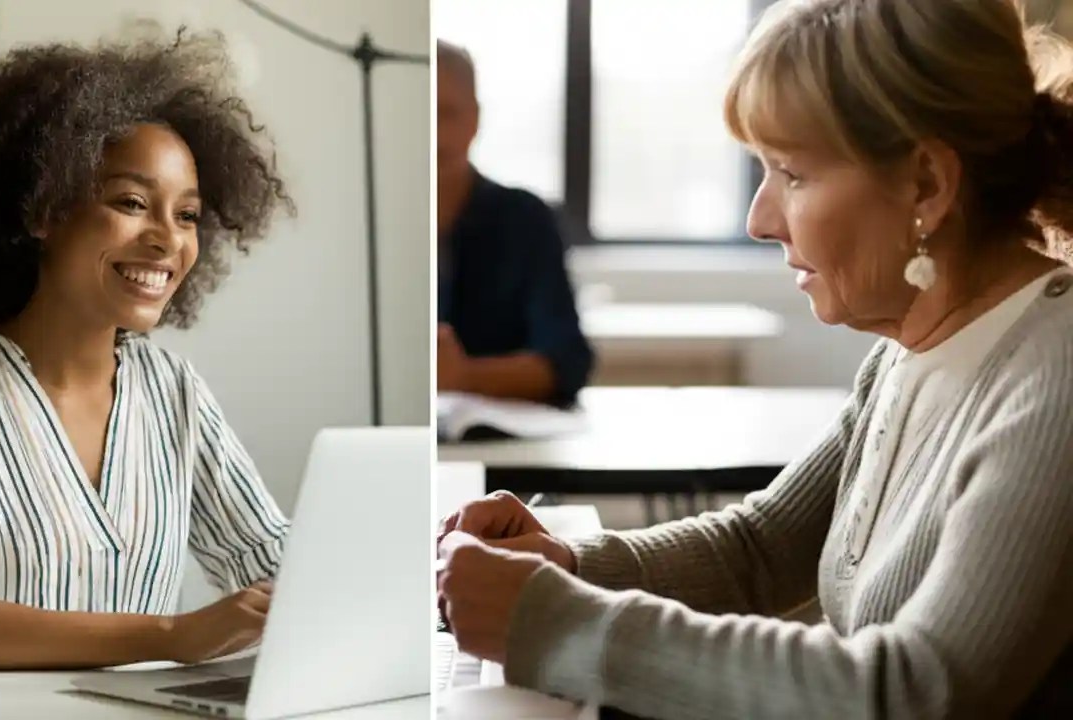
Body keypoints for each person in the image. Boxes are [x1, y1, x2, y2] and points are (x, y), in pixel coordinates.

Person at [438, 0, 1073, 716]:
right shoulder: (907, 352)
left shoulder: (1056, 377)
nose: (760, 219)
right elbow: (760, 550)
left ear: (926, 183)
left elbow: (914, 690)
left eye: (792, 175)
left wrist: (554, 623)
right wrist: (569, 564)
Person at [0, 32, 292, 671]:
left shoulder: (171, 389)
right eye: (132, 203)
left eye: (188, 215)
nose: (166, 241)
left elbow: (274, 561)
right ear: (46, 209)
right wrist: (166, 636)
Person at [436, 40, 593, 407]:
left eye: (447, 114)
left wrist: (465, 377)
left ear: (475, 119)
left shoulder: (526, 218)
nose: (436, 137)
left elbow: (567, 361)